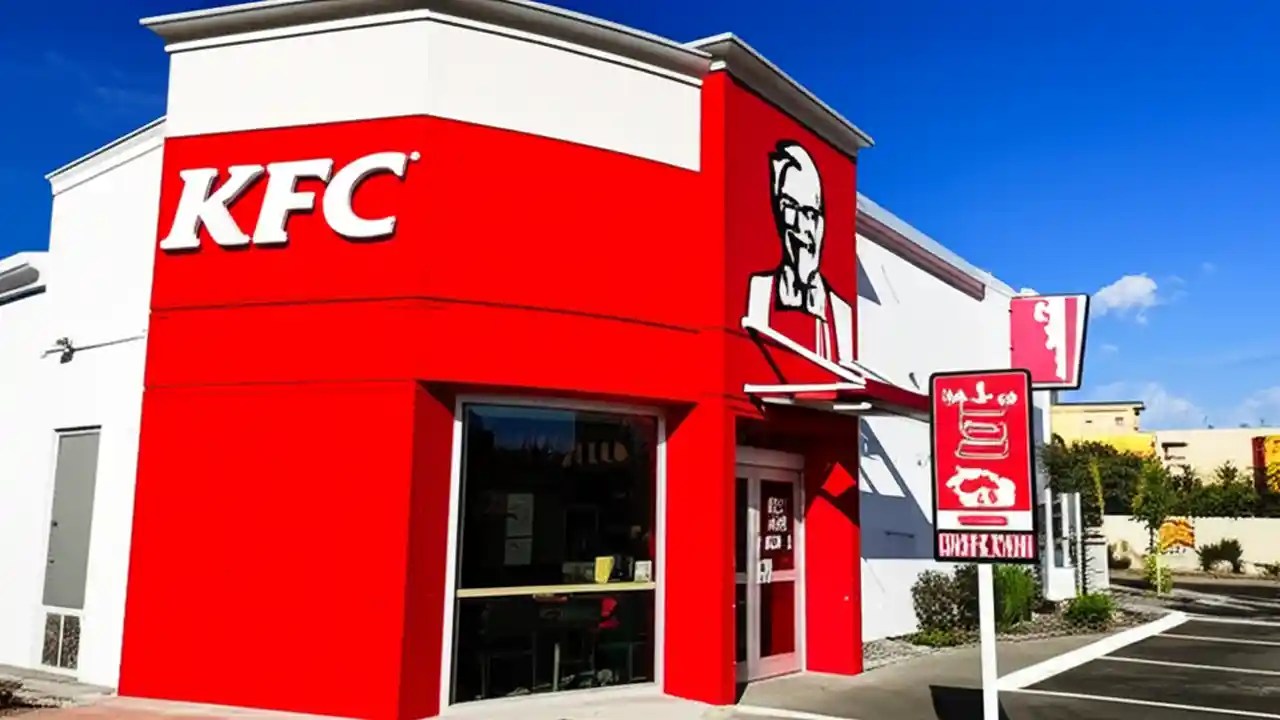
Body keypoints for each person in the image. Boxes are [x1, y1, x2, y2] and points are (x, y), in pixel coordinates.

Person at [744, 140, 854, 366]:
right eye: (790, 208)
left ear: (822, 222)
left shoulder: (841, 313)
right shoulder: (760, 292)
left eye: (811, 213)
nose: (802, 226)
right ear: (778, 215)